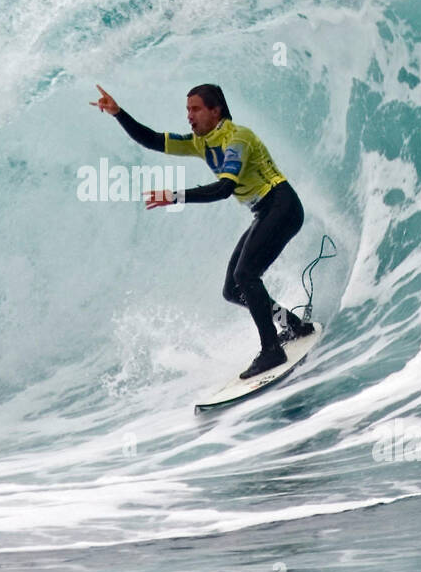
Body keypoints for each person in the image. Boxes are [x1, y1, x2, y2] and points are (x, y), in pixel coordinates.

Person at [91, 82, 314, 378]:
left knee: (245, 275)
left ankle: (271, 349)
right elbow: (154, 140)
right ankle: (295, 326)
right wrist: (119, 113)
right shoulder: (201, 142)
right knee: (234, 290)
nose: (189, 116)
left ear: (215, 110)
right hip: (264, 211)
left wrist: (174, 196)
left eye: (195, 109)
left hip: (281, 205)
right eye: (187, 110)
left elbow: (224, 188)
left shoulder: (238, 138)